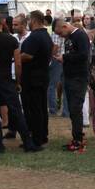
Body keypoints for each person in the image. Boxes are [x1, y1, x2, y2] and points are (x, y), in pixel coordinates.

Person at [0, 13, 38, 153]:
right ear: (3, 22)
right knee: (16, 111)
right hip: (6, 80)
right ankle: (27, 142)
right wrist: (18, 81)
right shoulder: (11, 40)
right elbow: (18, 64)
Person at [58, 16, 91, 152]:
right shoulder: (70, 37)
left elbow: (84, 55)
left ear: (65, 26)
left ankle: (78, 140)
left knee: (75, 108)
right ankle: (77, 137)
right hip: (71, 76)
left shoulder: (80, 36)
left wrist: (65, 58)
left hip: (79, 77)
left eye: (60, 33)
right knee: (73, 109)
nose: (60, 36)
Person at [21, 11, 53, 147]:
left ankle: (36, 138)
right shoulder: (46, 35)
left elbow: (28, 55)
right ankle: (43, 135)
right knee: (40, 107)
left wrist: (15, 57)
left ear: (33, 20)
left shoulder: (34, 37)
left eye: (29, 20)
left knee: (34, 109)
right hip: (43, 75)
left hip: (32, 78)